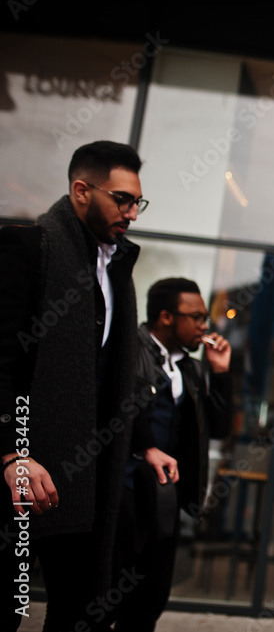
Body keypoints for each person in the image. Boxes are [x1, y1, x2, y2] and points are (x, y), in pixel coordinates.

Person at [0, 140, 146, 631]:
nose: (130, 213)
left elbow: (113, 378)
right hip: (24, 475)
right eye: (121, 199)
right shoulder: (29, 248)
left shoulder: (117, 270)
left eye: (136, 202)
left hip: (87, 481)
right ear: (81, 190)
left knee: (80, 611)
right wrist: (13, 453)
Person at [115, 277, 232, 630]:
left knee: (150, 600)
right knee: (102, 598)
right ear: (167, 317)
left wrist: (222, 372)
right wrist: (145, 446)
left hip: (164, 498)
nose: (203, 326)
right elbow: (121, 407)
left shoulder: (190, 368)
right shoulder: (128, 348)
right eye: (196, 317)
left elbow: (220, 428)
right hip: (121, 494)